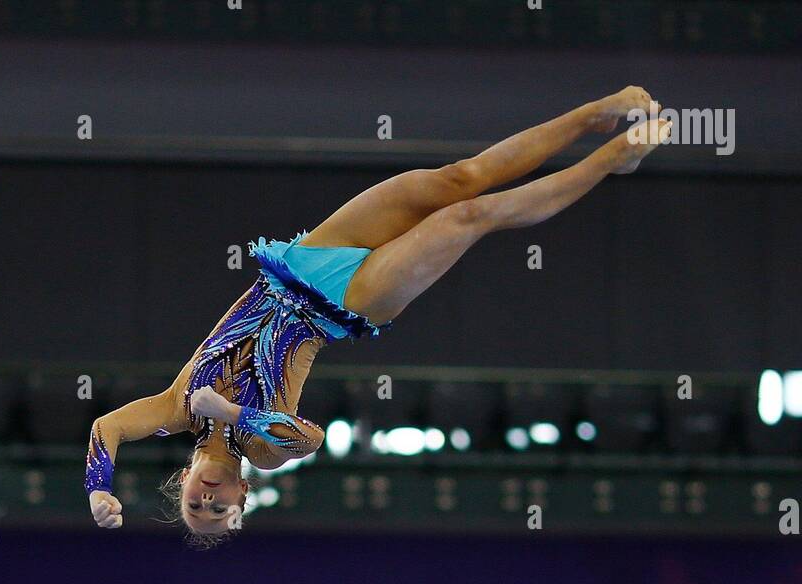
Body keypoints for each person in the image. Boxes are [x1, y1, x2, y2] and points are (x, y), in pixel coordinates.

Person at [83, 90, 670, 542]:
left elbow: (105, 428)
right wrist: (236, 412)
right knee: (467, 217)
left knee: (456, 178)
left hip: (301, 259)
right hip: (345, 303)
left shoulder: (174, 406)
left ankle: (595, 113)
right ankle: (610, 160)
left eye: (195, 505)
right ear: (241, 492)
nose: (208, 501)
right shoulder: (260, 451)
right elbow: (308, 438)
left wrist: (98, 490)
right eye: (221, 509)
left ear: (180, 482)